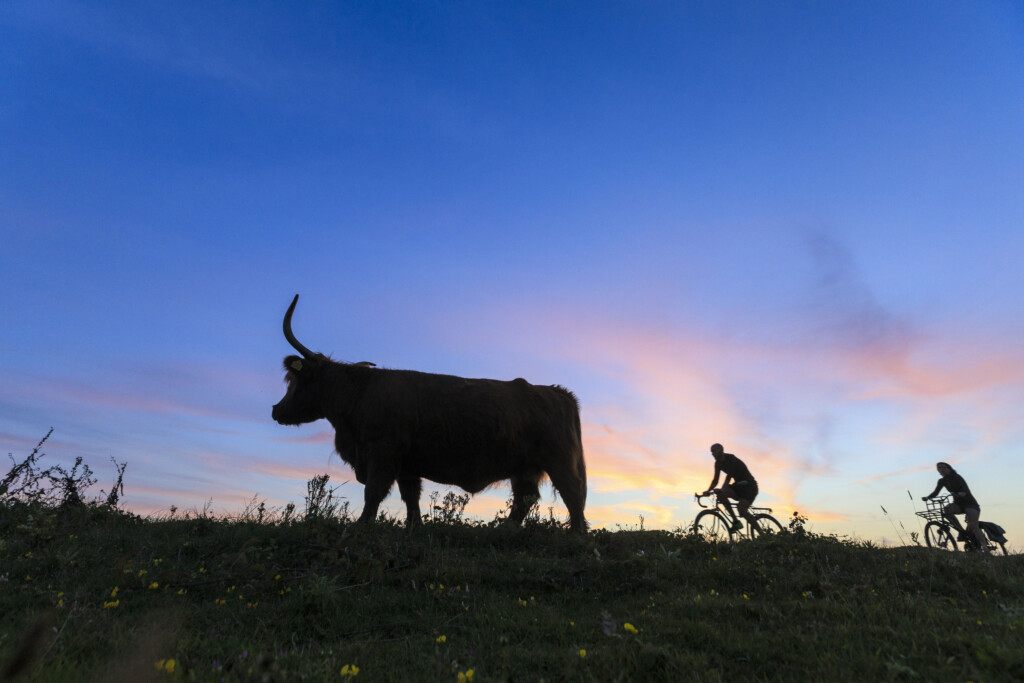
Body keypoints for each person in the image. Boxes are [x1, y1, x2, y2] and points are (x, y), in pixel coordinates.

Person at [922, 462, 987, 550]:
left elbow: (965, 488)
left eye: (944, 467)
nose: (941, 469)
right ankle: (961, 531)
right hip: (958, 504)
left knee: (974, 525)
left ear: (949, 468)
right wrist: (928, 497)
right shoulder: (942, 481)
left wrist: (962, 493)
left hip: (970, 503)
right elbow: (936, 492)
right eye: (939, 468)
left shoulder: (957, 477)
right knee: (947, 510)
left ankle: (985, 548)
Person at [702, 443, 758, 532]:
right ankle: (736, 522)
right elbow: (715, 480)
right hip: (738, 486)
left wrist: (722, 489)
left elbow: (729, 476)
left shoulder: (731, 459)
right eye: (711, 452)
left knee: (741, 510)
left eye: (714, 451)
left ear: (721, 450)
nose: (712, 454)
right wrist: (708, 491)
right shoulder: (717, 464)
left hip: (749, 486)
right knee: (721, 496)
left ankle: (762, 535)